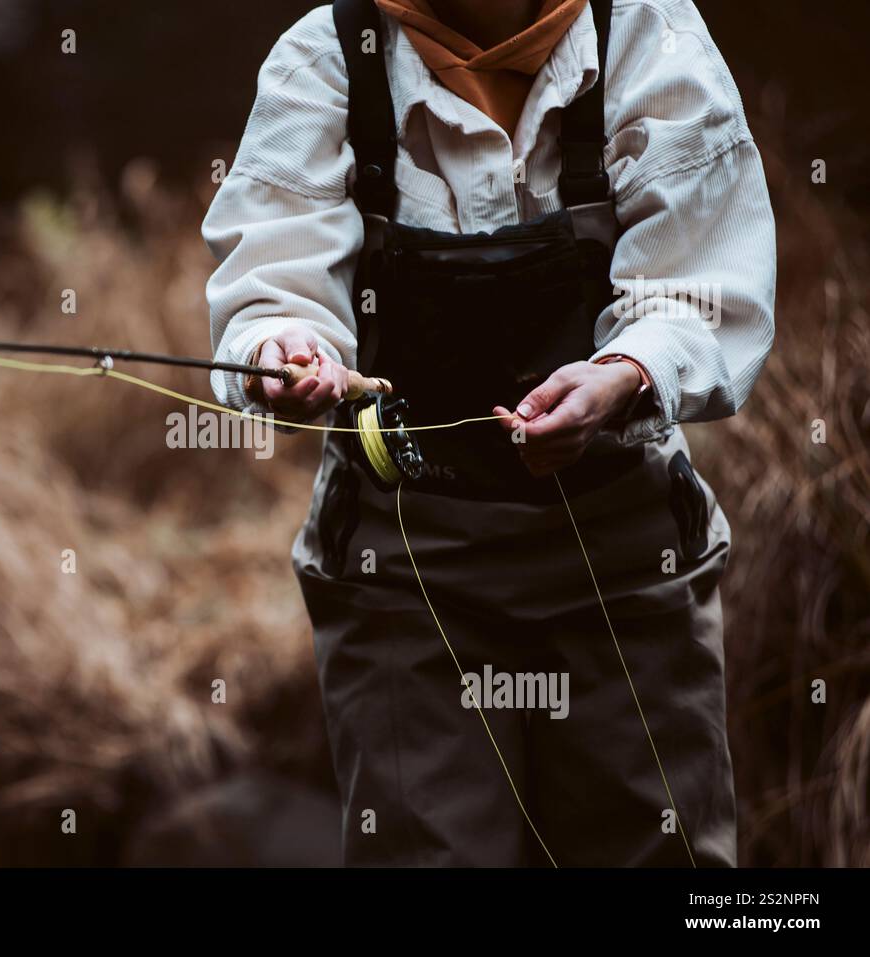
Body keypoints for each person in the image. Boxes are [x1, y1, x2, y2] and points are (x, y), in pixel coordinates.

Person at [203, 0, 775, 866]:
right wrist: (281, 350)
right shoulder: (324, 58)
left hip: (625, 567)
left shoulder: (647, 32)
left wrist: (626, 372)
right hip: (403, 579)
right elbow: (272, 285)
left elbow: (706, 285)